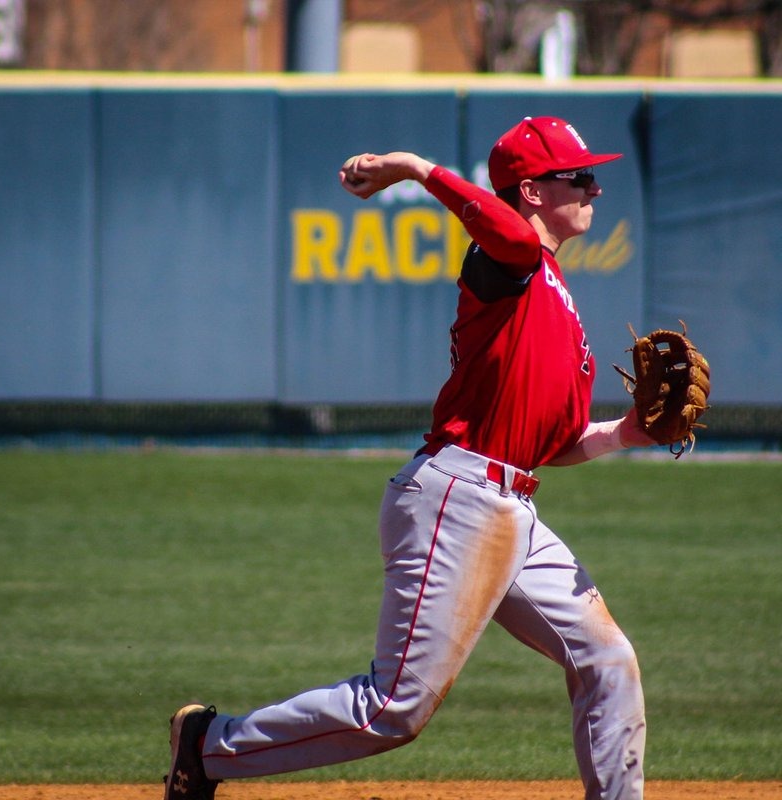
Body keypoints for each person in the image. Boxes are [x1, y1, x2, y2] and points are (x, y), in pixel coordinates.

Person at [164, 116, 657, 800]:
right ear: (534, 192)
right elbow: (506, 232)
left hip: (513, 507)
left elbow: (553, 444)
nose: (595, 190)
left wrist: (628, 432)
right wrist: (418, 169)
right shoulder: (509, 264)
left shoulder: (558, 299)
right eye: (580, 177)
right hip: (458, 500)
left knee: (608, 659)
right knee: (393, 709)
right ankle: (209, 747)